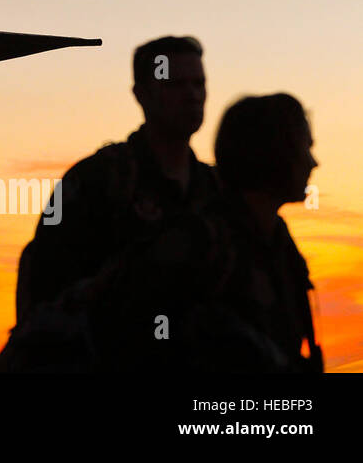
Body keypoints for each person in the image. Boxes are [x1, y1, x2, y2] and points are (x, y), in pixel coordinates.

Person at [0, 35, 218, 371]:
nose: (192, 95)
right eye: (175, 84)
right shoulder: (96, 181)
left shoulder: (217, 190)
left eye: (199, 83)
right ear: (142, 94)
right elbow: (46, 293)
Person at [92, 93, 322, 372]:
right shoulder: (201, 241)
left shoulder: (277, 242)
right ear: (276, 155)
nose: (313, 163)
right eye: (305, 149)